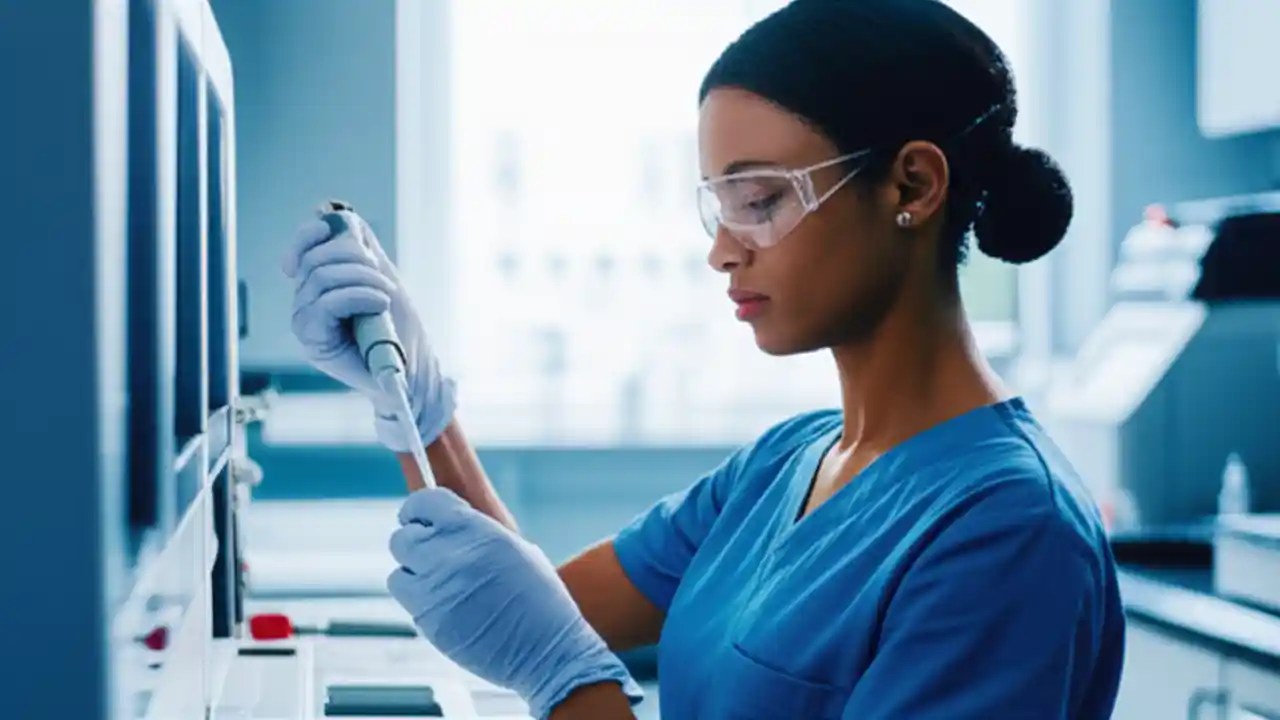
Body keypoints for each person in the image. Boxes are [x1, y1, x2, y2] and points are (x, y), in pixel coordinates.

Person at [283, 0, 1125, 717]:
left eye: (760, 200)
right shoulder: (784, 463)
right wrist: (416, 405)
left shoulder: (1009, 532)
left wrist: (567, 685)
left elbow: (553, 651)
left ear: (911, 186)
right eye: (719, 206)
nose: (724, 250)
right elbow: (532, 609)